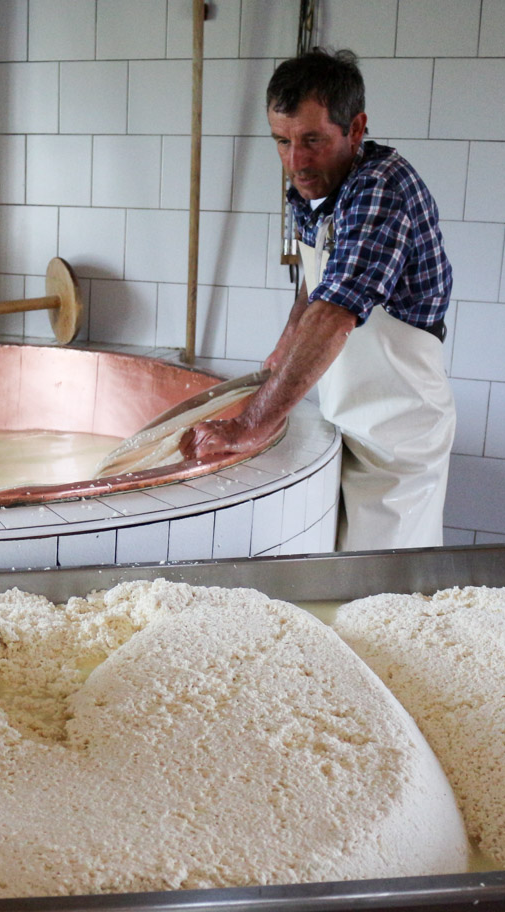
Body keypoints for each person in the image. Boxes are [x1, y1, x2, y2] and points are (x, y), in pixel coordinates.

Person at [180, 49, 455, 552]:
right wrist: (285, 345)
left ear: (355, 129)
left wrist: (249, 424)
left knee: (380, 594)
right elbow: (319, 281)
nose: (296, 162)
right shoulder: (320, 187)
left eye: (312, 140)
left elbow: (334, 313)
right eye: (282, 142)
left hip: (398, 435)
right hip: (347, 416)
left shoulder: (380, 188)